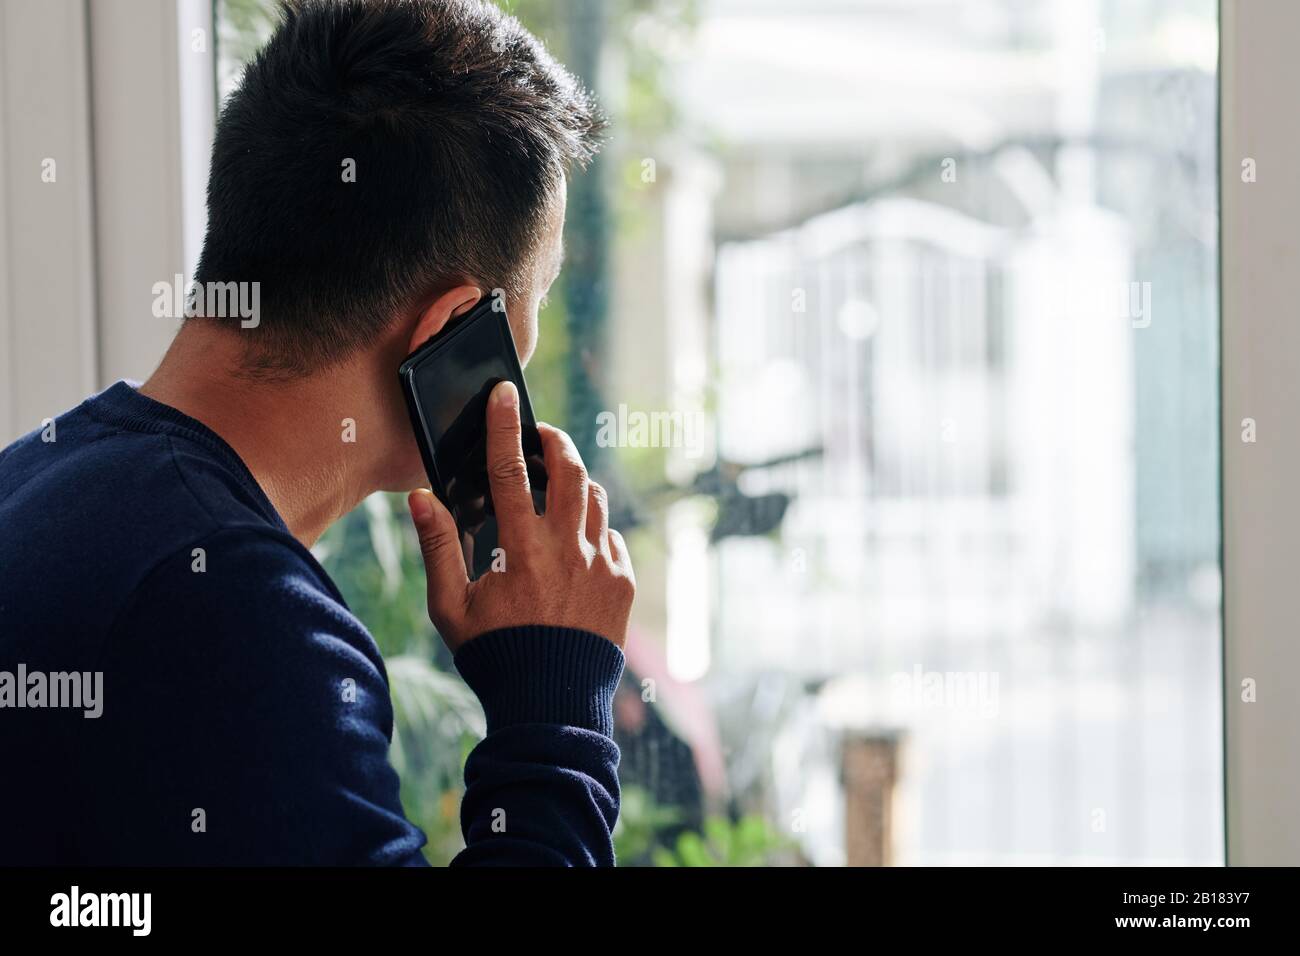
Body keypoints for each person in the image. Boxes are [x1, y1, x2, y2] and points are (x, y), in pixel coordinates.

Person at [0, 0, 634, 866]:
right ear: (457, 327)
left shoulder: (41, 478)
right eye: (540, 296)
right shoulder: (236, 616)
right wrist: (557, 709)